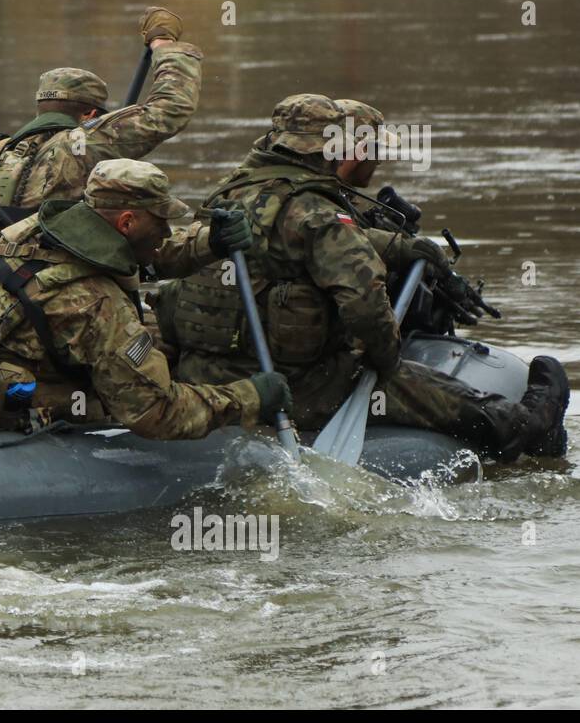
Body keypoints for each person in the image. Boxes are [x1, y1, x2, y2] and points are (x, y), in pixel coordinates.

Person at [166, 94, 568, 461]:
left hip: (203, 374)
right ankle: (524, 428)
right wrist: (385, 360)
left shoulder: (227, 195)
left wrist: (395, 246)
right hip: (296, 386)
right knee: (404, 380)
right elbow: (364, 303)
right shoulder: (318, 212)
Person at [0, 158, 289, 439]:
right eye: (160, 223)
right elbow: (157, 414)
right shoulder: (100, 306)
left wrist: (206, 242)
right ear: (125, 221)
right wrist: (248, 398)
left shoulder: (27, 232)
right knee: (132, 386)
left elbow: (143, 257)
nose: (166, 234)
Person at [0, 7, 204, 259]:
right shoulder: (80, 145)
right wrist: (163, 43)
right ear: (90, 116)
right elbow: (171, 109)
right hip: (34, 288)